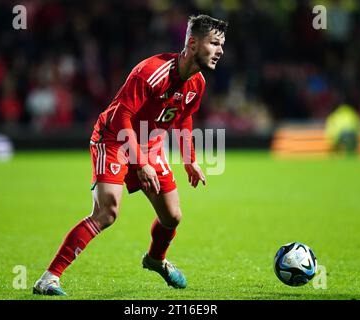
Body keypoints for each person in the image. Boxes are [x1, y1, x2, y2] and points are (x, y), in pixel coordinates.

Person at [33, 14, 228, 296]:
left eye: (222, 45)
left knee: (172, 217)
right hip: (113, 138)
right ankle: (48, 279)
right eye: (215, 43)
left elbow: (183, 118)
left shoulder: (197, 83)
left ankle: (155, 260)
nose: (220, 51)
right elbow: (122, 117)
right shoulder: (151, 71)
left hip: (148, 144)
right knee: (106, 212)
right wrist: (139, 165)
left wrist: (190, 159)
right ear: (194, 44)